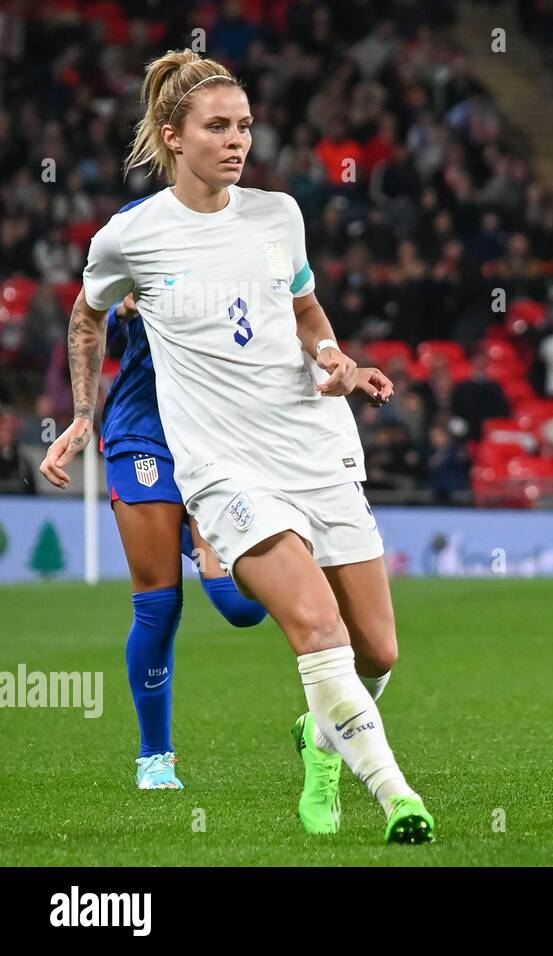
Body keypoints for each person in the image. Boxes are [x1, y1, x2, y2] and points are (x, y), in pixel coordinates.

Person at [39, 50, 432, 844]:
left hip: (314, 447)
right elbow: (86, 318)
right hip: (222, 466)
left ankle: (320, 746)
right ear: (172, 136)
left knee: (378, 652)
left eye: (245, 126)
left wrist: (336, 362)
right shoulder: (131, 238)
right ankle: (399, 800)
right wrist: (83, 414)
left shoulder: (280, 214)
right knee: (314, 630)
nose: (237, 141)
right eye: (218, 127)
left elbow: (309, 311)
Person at [101, 291, 268, 790]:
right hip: (145, 439)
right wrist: (121, 311)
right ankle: (155, 757)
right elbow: (92, 325)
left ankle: (185, 534)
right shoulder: (145, 225)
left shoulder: (252, 238)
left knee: (241, 608)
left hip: (215, 443)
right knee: (159, 603)